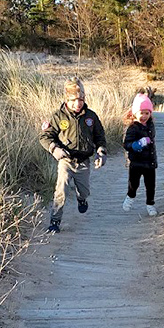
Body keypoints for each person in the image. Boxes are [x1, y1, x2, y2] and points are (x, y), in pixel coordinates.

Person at [39, 77, 107, 233]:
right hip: (66, 160)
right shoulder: (58, 117)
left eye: (81, 99)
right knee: (61, 190)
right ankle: (55, 222)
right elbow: (45, 136)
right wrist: (54, 148)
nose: (78, 103)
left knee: (84, 191)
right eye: (73, 100)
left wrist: (101, 152)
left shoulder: (91, 117)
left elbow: (100, 137)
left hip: (83, 162)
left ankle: (81, 199)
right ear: (66, 99)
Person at [122, 88, 158, 216]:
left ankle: (150, 205)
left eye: (147, 113)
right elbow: (126, 144)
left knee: (151, 186)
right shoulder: (133, 128)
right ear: (135, 113)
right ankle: (130, 197)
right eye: (141, 113)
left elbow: (152, 141)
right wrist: (136, 145)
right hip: (136, 163)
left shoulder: (150, 125)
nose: (144, 116)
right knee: (134, 184)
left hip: (150, 162)